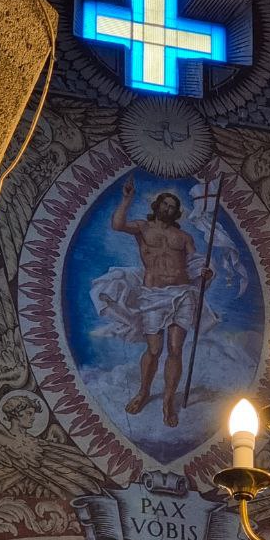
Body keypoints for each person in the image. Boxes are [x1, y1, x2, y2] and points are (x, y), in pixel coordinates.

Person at [91, 176, 213, 428]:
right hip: (153, 294)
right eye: (164, 204)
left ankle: (168, 401)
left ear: (176, 212)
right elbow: (117, 224)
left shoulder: (183, 237)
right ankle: (144, 391)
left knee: (175, 350)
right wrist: (127, 199)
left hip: (182, 294)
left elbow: (195, 263)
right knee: (155, 349)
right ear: (157, 206)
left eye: (172, 207)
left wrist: (204, 272)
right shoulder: (142, 228)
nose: (168, 209)